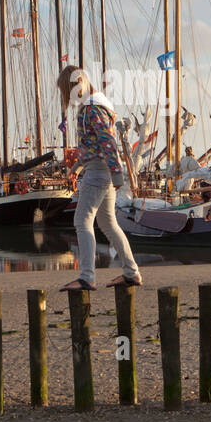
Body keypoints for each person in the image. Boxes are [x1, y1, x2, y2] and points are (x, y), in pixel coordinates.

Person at [56, 65, 140, 292]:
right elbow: (95, 144)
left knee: (82, 221)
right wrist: (76, 165)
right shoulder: (94, 107)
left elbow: (107, 142)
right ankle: (131, 272)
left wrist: (117, 173)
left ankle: (86, 276)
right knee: (107, 223)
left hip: (98, 172)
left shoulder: (92, 109)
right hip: (98, 168)